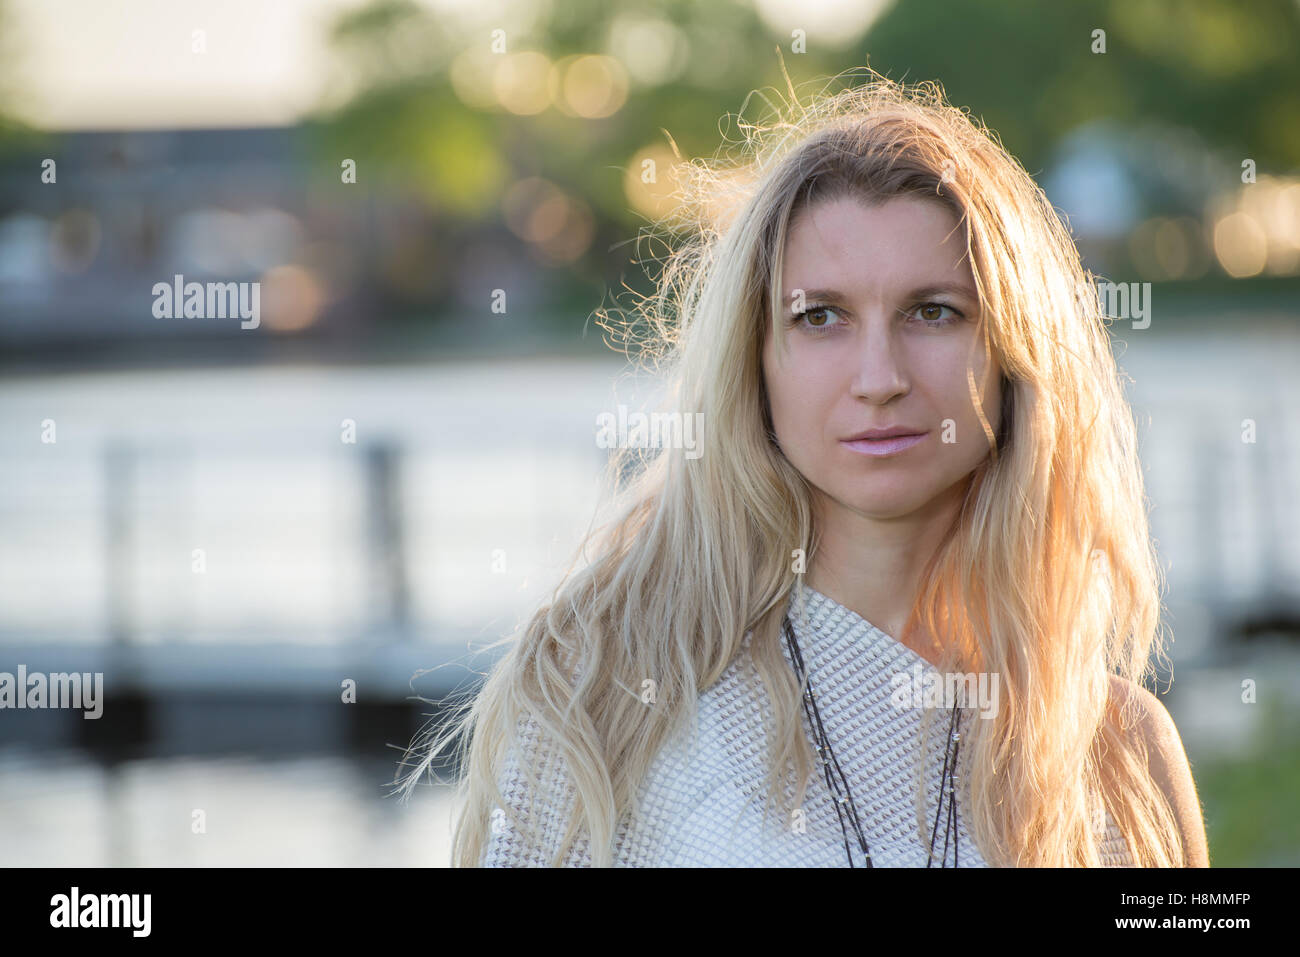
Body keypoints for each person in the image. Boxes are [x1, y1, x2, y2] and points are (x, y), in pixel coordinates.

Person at [397, 70, 1209, 867]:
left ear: (1012, 353)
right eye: (821, 317)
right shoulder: (607, 707)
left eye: (934, 312)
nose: (880, 376)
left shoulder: (1118, 754)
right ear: (755, 362)